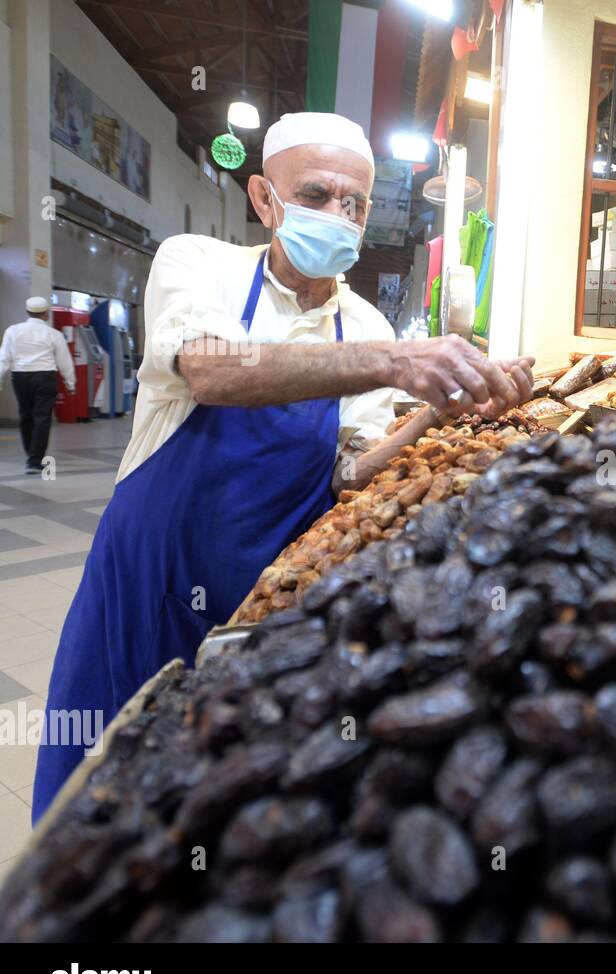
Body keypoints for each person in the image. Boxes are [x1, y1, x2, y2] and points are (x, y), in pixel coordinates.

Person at [31, 112, 533, 820]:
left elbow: (350, 470)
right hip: (147, 579)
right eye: (318, 196)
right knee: (96, 787)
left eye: (354, 204)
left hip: (257, 607)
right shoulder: (196, 262)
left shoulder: (364, 324)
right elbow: (207, 370)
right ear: (265, 199)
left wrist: (437, 411)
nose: (340, 216)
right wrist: (396, 364)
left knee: (214, 797)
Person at [0, 297, 76, 474]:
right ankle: (34, 461)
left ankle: (31, 454)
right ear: (46, 313)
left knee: (25, 416)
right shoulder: (53, 334)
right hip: (45, 377)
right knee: (42, 418)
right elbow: (64, 361)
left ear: (27, 311)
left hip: (20, 378)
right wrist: (70, 382)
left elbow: (4, 357)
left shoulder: (13, 331)